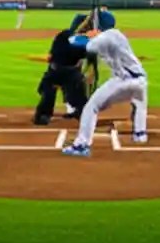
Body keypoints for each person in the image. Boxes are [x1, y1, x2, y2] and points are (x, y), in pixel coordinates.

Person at [62, 11, 148, 157]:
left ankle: (82, 145)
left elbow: (82, 45)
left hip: (123, 81)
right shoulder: (117, 35)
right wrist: (93, 35)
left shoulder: (106, 37)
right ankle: (140, 134)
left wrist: (83, 36)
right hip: (141, 81)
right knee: (139, 103)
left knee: (91, 107)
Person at [33, 14, 91, 125]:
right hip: (58, 71)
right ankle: (43, 115)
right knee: (49, 93)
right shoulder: (66, 36)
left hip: (68, 72)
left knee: (80, 94)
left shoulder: (81, 39)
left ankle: (80, 112)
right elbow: (75, 53)